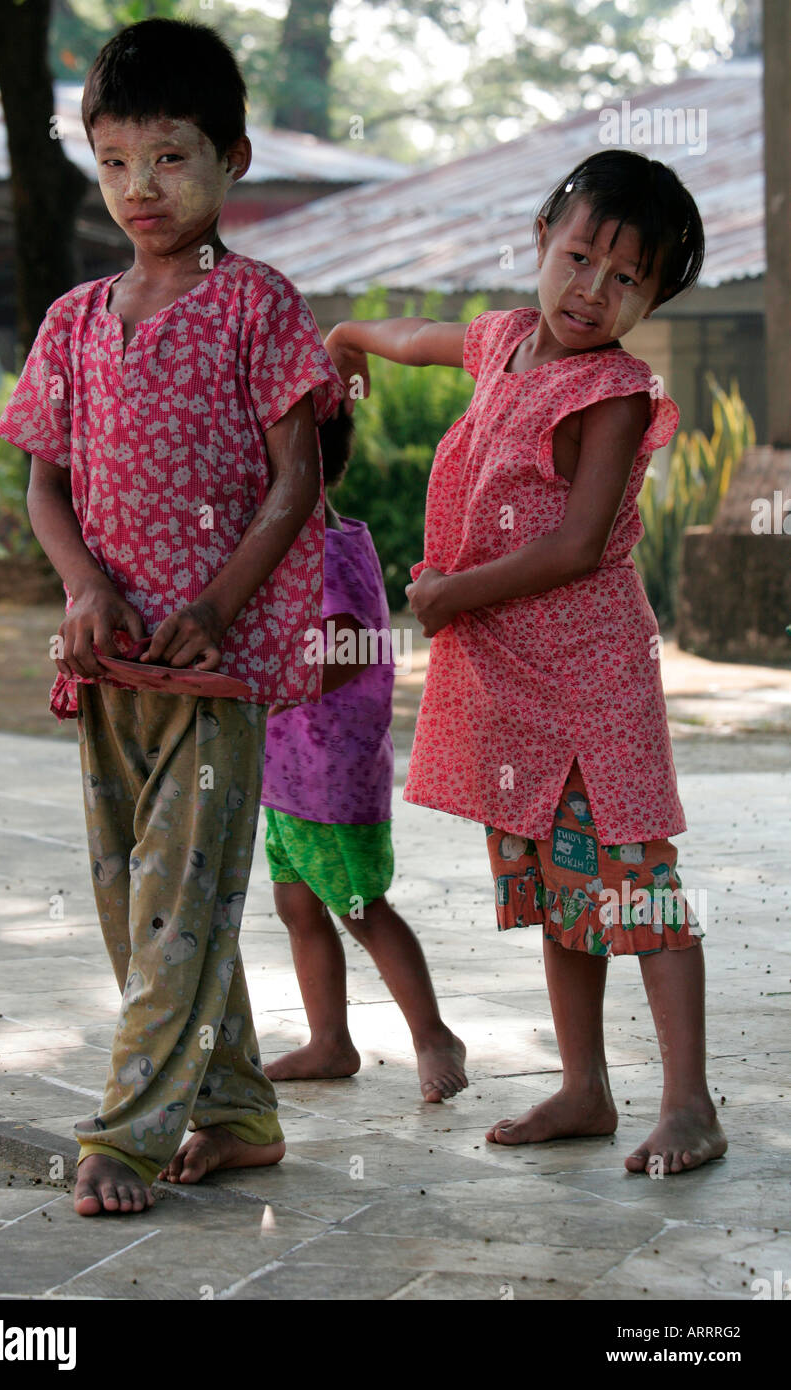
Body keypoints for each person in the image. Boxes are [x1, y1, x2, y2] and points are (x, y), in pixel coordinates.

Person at [0, 17, 345, 1216]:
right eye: (116, 162)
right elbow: (43, 477)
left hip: (216, 669)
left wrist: (214, 603)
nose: (142, 188)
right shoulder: (75, 322)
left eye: (172, 157)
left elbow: (296, 480)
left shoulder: (258, 307)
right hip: (107, 666)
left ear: (231, 159)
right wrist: (85, 588)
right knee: (138, 904)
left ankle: (128, 1136)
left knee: (177, 902)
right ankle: (239, 1109)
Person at [325, 151, 728, 1175]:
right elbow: (417, 337)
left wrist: (449, 595)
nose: (592, 289)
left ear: (654, 295)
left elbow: (578, 542)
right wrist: (345, 338)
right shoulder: (501, 341)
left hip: (591, 680)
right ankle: (584, 1088)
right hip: (512, 683)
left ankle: (688, 1101)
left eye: (626, 278)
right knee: (562, 883)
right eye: (580, 254)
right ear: (543, 233)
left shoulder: (615, 392)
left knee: (632, 879)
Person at [260, 403, 468, 1102]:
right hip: (286, 771)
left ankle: (434, 1033)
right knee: (296, 904)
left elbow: (345, 648)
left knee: (359, 904)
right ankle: (328, 1042)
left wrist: (267, 686)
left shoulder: (327, 544)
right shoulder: (284, 539)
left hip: (328, 772)